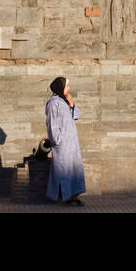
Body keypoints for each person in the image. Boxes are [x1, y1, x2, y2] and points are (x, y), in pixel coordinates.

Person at [45, 76, 86, 205]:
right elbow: (52, 123)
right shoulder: (53, 103)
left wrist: (71, 103)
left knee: (74, 168)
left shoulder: (64, 101)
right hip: (62, 143)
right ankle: (63, 196)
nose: (69, 88)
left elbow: (76, 116)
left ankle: (74, 195)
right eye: (67, 86)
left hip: (71, 141)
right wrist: (57, 140)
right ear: (60, 87)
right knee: (63, 169)